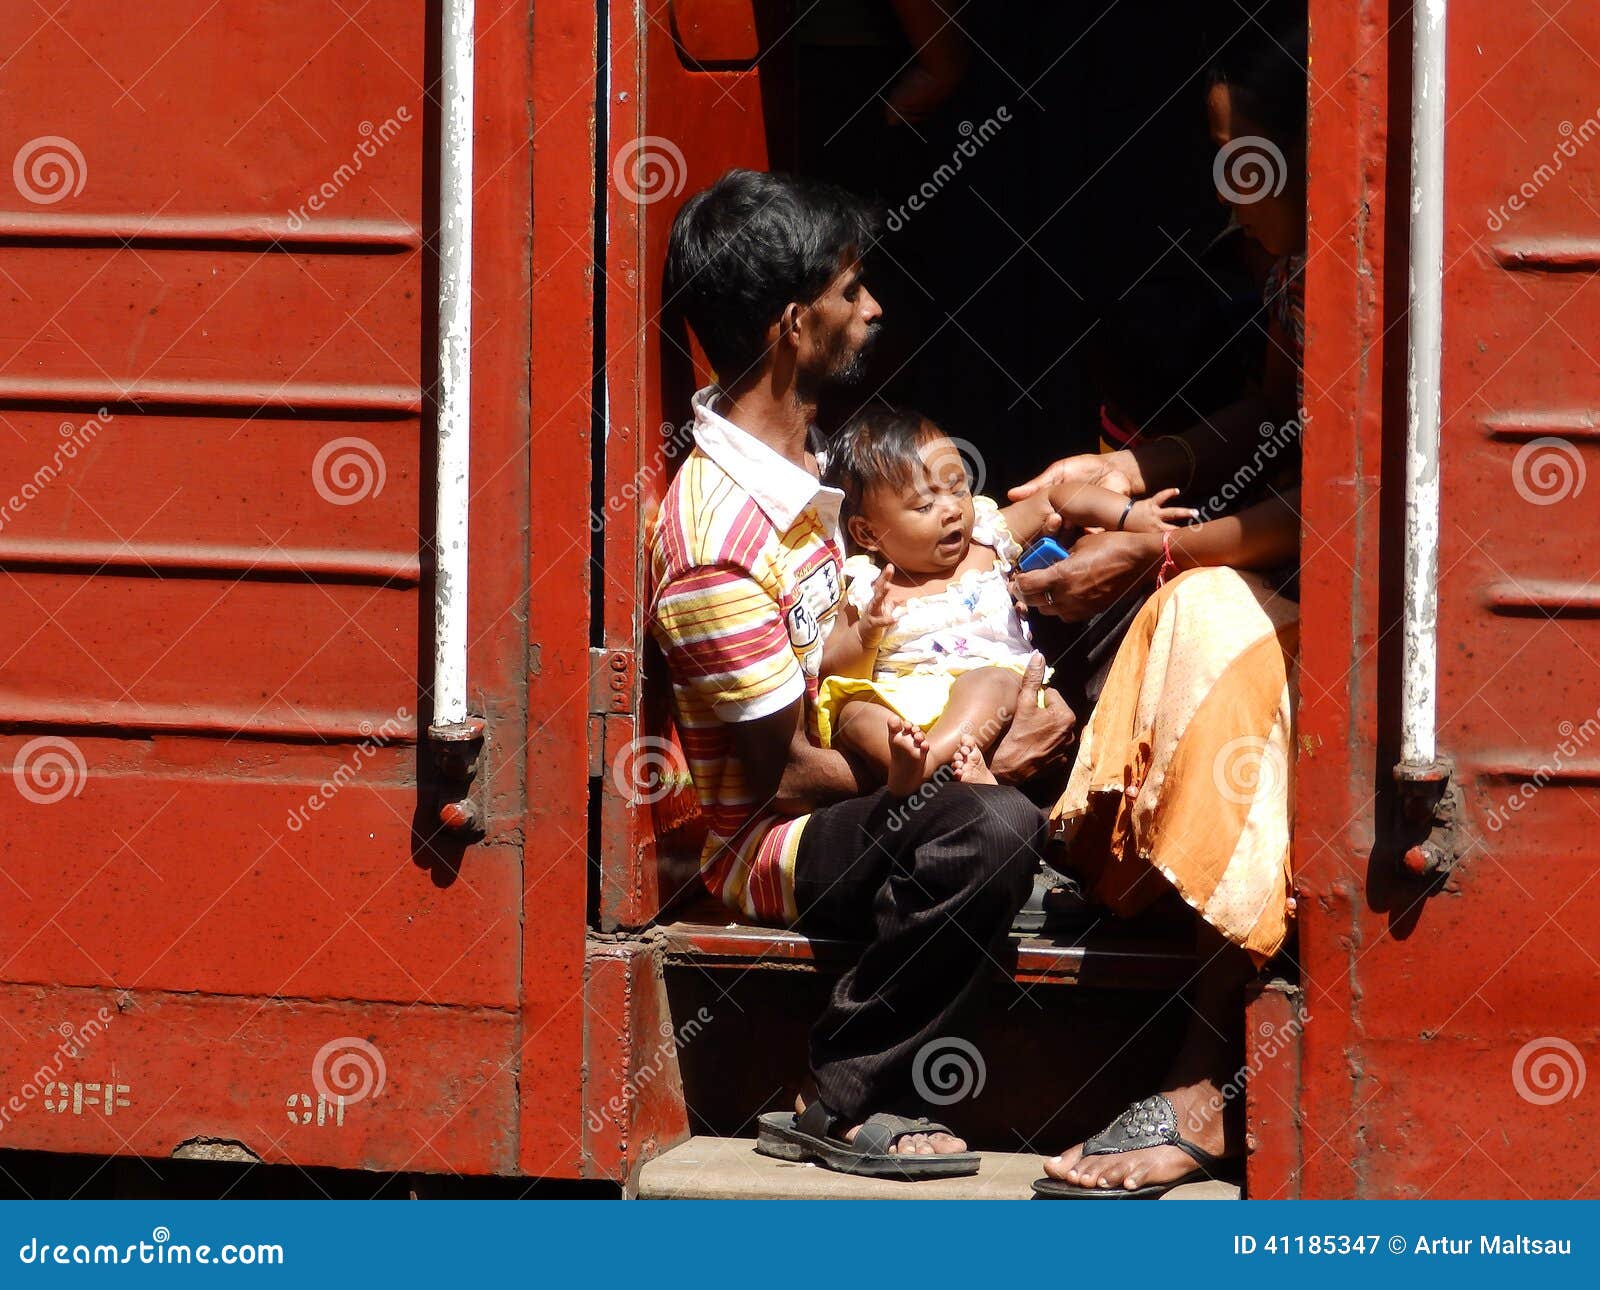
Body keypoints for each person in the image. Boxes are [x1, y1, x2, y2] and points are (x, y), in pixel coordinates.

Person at [648, 169, 1076, 1179]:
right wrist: (969, 761)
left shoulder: (812, 469)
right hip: (777, 840)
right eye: (850, 290)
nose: (871, 307)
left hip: (897, 755)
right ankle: (844, 1096)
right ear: (793, 326)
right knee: (987, 829)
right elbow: (784, 777)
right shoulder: (717, 536)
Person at [1013, 19, 1308, 1198]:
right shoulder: (1284, 269)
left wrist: (1160, 548)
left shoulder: (1367, 262)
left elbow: (1355, 490)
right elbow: (1279, 417)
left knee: (1203, 620)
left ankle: (1202, 1080)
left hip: (1364, 615)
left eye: (1243, 155)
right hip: (1277, 558)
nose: (1223, 181)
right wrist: (1133, 474)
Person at [818, 405, 1192, 781]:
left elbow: (1055, 498)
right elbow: (834, 668)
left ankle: (928, 764)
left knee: (989, 682)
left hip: (992, 697)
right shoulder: (867, 587)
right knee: (852, 712)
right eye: (924, 505)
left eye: (958, 488)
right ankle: (906, 763)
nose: (951, 510)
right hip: (905, 704)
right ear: (868, 533)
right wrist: (865, 633)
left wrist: (1129, 514)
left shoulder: (986, 538)